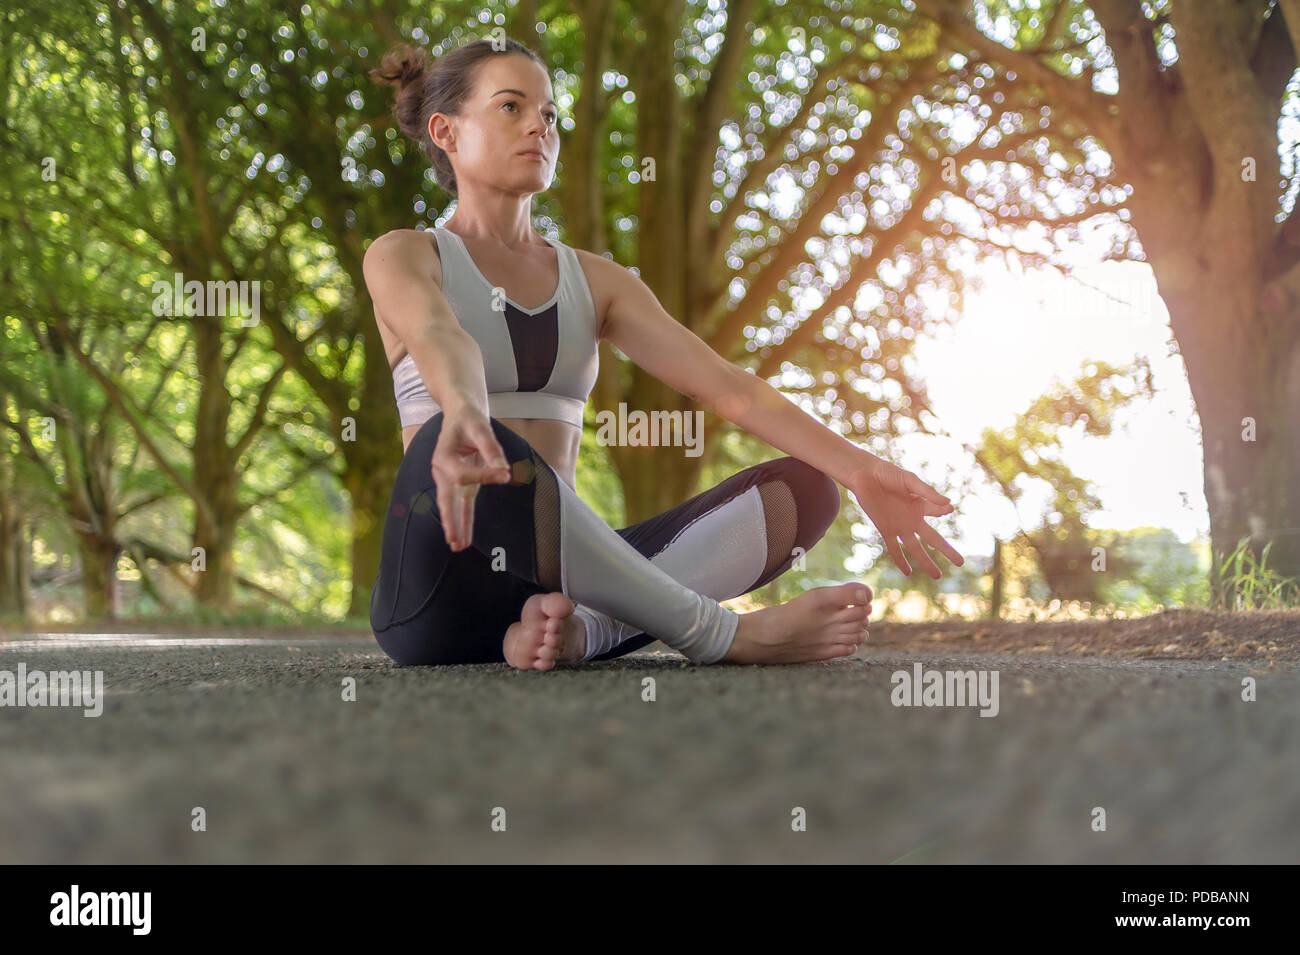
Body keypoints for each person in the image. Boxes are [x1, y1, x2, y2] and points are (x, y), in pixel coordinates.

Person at [364, 37, 963, 671]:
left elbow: (728, 387)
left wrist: (859, 468)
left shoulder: (599, 282)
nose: (539, 124)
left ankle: (583, 634)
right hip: (436, 597)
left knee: (805, 491)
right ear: (445, 131)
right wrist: (460, 409)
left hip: (561, 588)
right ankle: (722, 636)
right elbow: (438, 334)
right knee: (466, 442)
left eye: (550, 113)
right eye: (511, 106)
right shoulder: (404, 254)